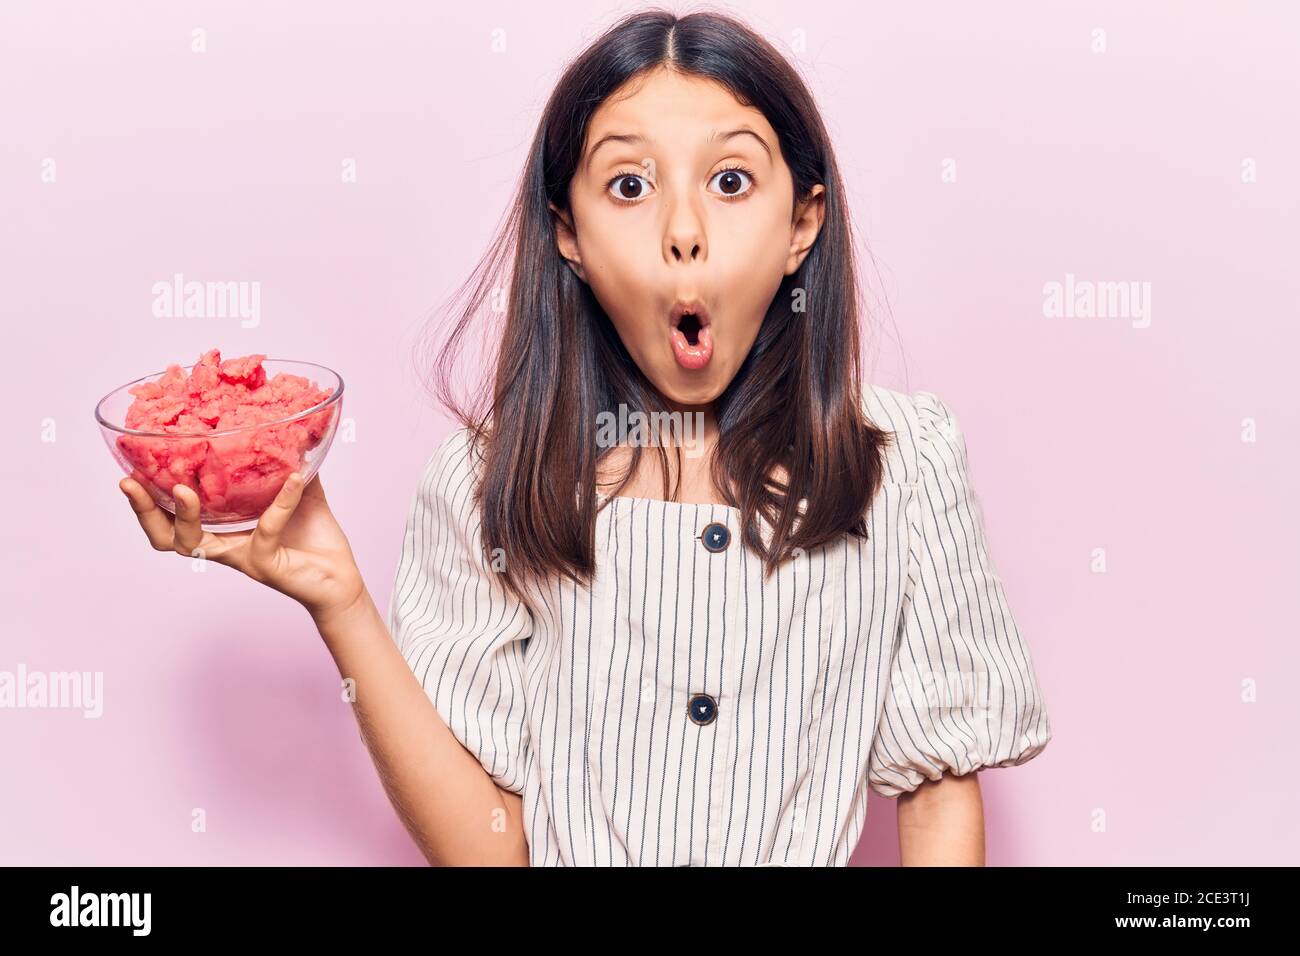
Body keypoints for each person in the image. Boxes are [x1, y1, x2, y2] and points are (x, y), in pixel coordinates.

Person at [118, 8, 1051, 866]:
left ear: (802, 222)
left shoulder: (901, 462)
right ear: (569, 234)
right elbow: (490, 848)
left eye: (731, 181)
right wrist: (338, 599)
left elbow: (936, 798)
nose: (683, 232)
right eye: (630, 185)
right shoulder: (493, 482)